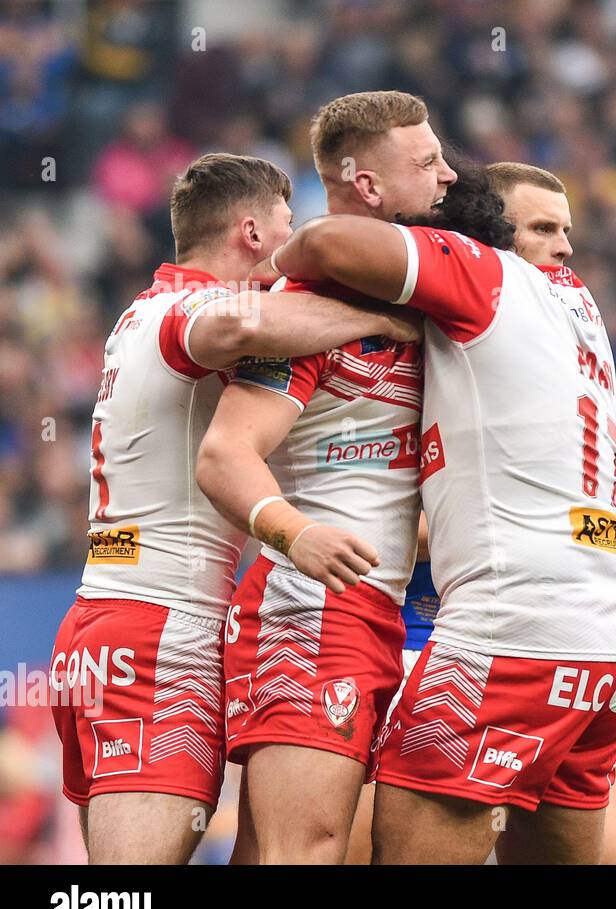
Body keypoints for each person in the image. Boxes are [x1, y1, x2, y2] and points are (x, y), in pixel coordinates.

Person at [250, 169, 616, 866]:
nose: (563, 248)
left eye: (566, 231)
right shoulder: (571, 317)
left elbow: (324, 244)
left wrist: (264, 272)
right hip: (606, 638)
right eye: (543, 228)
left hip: (498, 630)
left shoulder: (488, 281)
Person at [48, 152, 419, 864]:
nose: (295, 244)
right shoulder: (190, 308)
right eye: (286, 225)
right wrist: (378, 317)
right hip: (157, 629)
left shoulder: (135, 313)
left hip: (109, 619)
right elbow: (239, 330)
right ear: (251, 232)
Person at [195, 91, 456, 864]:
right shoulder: (306, 308)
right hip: (315, 608)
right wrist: (293, 531)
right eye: (427, 162)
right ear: (368, 187)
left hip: (400, 614)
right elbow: (225, 452)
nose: (447, 176)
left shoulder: (439, 296)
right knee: (303, 851)